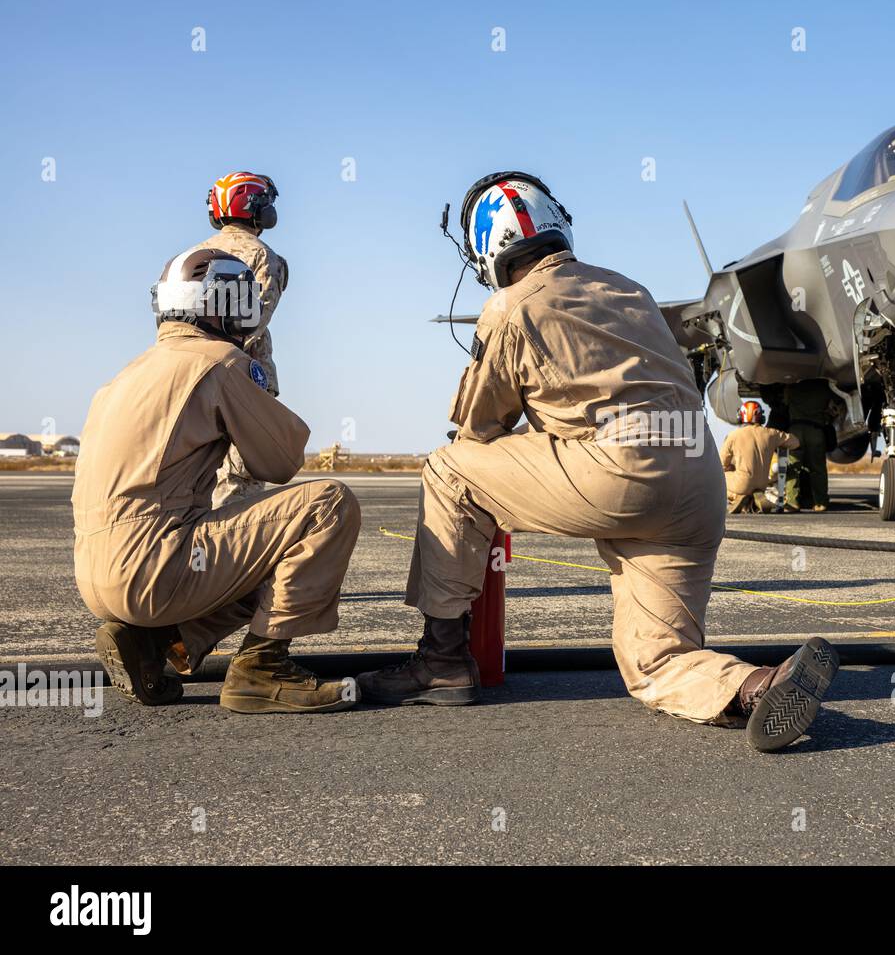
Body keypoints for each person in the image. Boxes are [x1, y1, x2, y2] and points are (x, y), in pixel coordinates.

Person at [356, 172, 839, 752]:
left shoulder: (509, 305)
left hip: (624, 469)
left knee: (449, 469)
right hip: (696, 477)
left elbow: (478, 427)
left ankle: (440, 661)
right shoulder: (628, 289)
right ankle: (760, 687)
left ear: (488, 247)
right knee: (656, 662)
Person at [74, 246, 360, 714]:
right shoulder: (219, 362)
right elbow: (280, 462)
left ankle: (168, 643)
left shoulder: (124, 375)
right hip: (155, 571)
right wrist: (254, 387)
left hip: (97, 576)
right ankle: (263, 671)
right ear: (225, 303)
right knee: (329, 504)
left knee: (257, 544)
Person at [198, 171, 290, 508]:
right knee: (239, 486)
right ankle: (232, 557)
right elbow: (252, 324)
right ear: (257, 209)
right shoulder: (265, 258)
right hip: (243, 381)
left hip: (191, 382)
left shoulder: (192, 255)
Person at [720, 401, 800, 513]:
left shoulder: (733, 436)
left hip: (742, 484)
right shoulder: (771, 433)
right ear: (760, 417)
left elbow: (721, 464)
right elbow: (795, 442)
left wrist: (730, 468)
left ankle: (736, 497)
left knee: (718, 476)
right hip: (762, 484)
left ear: (740, 416)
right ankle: (753, 499)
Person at [783, 379, 843, 512]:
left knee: (793, 467)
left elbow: (784, 402)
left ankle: (792, 503)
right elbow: (835, 406)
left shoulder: (793, 385)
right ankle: (820, 503)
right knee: (818, 470)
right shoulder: (824, 386)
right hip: (816, 431)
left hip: (796, 431)